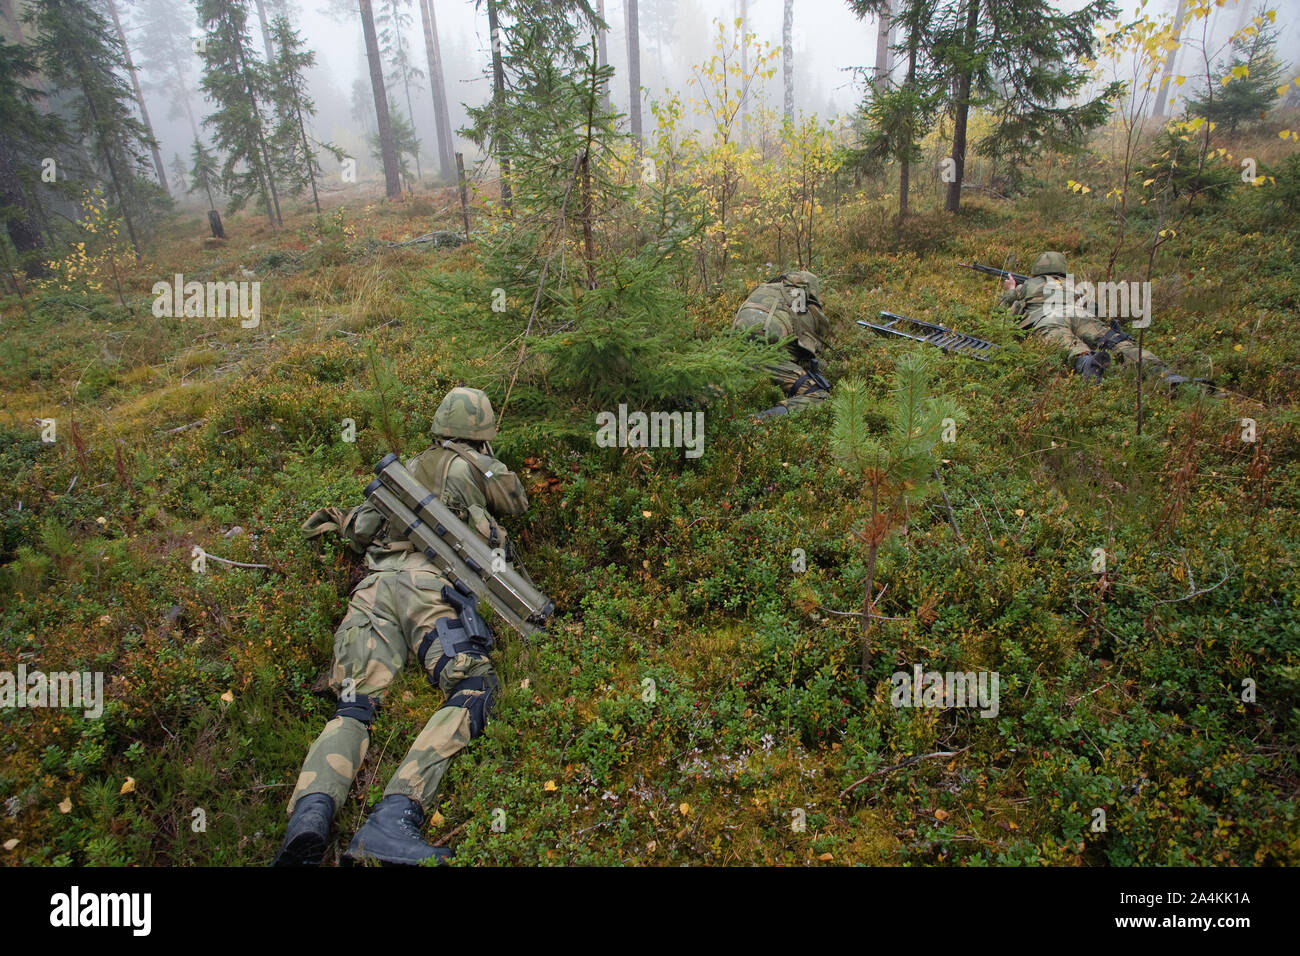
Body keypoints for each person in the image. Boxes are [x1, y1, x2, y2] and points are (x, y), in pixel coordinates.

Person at [273, 387, 530, 866]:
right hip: (427, 588)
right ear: (483, 431)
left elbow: (361, 530)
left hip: (373, 589)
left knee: (354, 703)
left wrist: (333, 521)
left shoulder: (403, 470)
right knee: (475, 683)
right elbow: (517, 502)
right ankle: (394, 815)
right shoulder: (476, 467)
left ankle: (309, 817)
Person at [998, 251, 1166, 382]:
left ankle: (1087, 362)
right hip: (1081, 315)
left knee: (1067, 344)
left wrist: (1011, 288)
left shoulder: (1028, 284)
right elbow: (1094, 308)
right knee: (1113, 341)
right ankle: (1159, 370)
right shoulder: (1072, 285)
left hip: (1049, 317)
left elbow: (1002, 308)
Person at [732, 271, 833, 416]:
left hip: (734, 353)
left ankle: (697, 419)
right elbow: (808, 352)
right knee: (820, 396)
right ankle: (763, 419)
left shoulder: (764, 289)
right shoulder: (803, 305)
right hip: (769, 360)